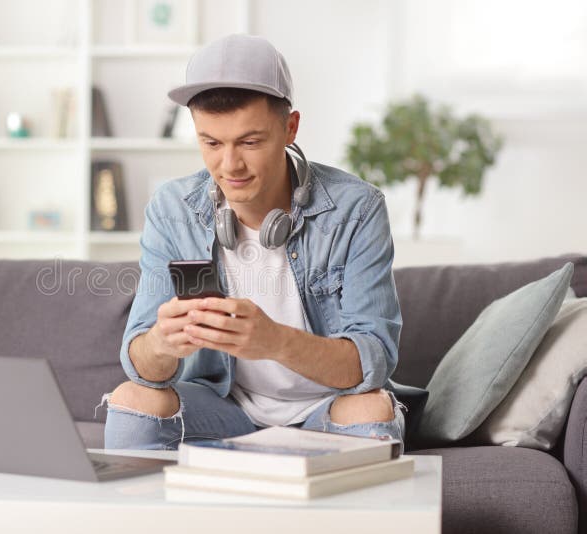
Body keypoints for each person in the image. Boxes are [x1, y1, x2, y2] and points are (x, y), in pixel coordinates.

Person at [102, 34, 406, 452]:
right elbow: (141, 365)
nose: (230, 166)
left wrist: (275, 341)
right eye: (211, 143)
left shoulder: (356, 209)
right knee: (132, 398)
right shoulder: (174, 210)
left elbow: (374, 360)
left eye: (250, 142)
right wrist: (162, 343)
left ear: (290, 128)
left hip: (327, 408)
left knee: (370, 409)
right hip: (225, 407)